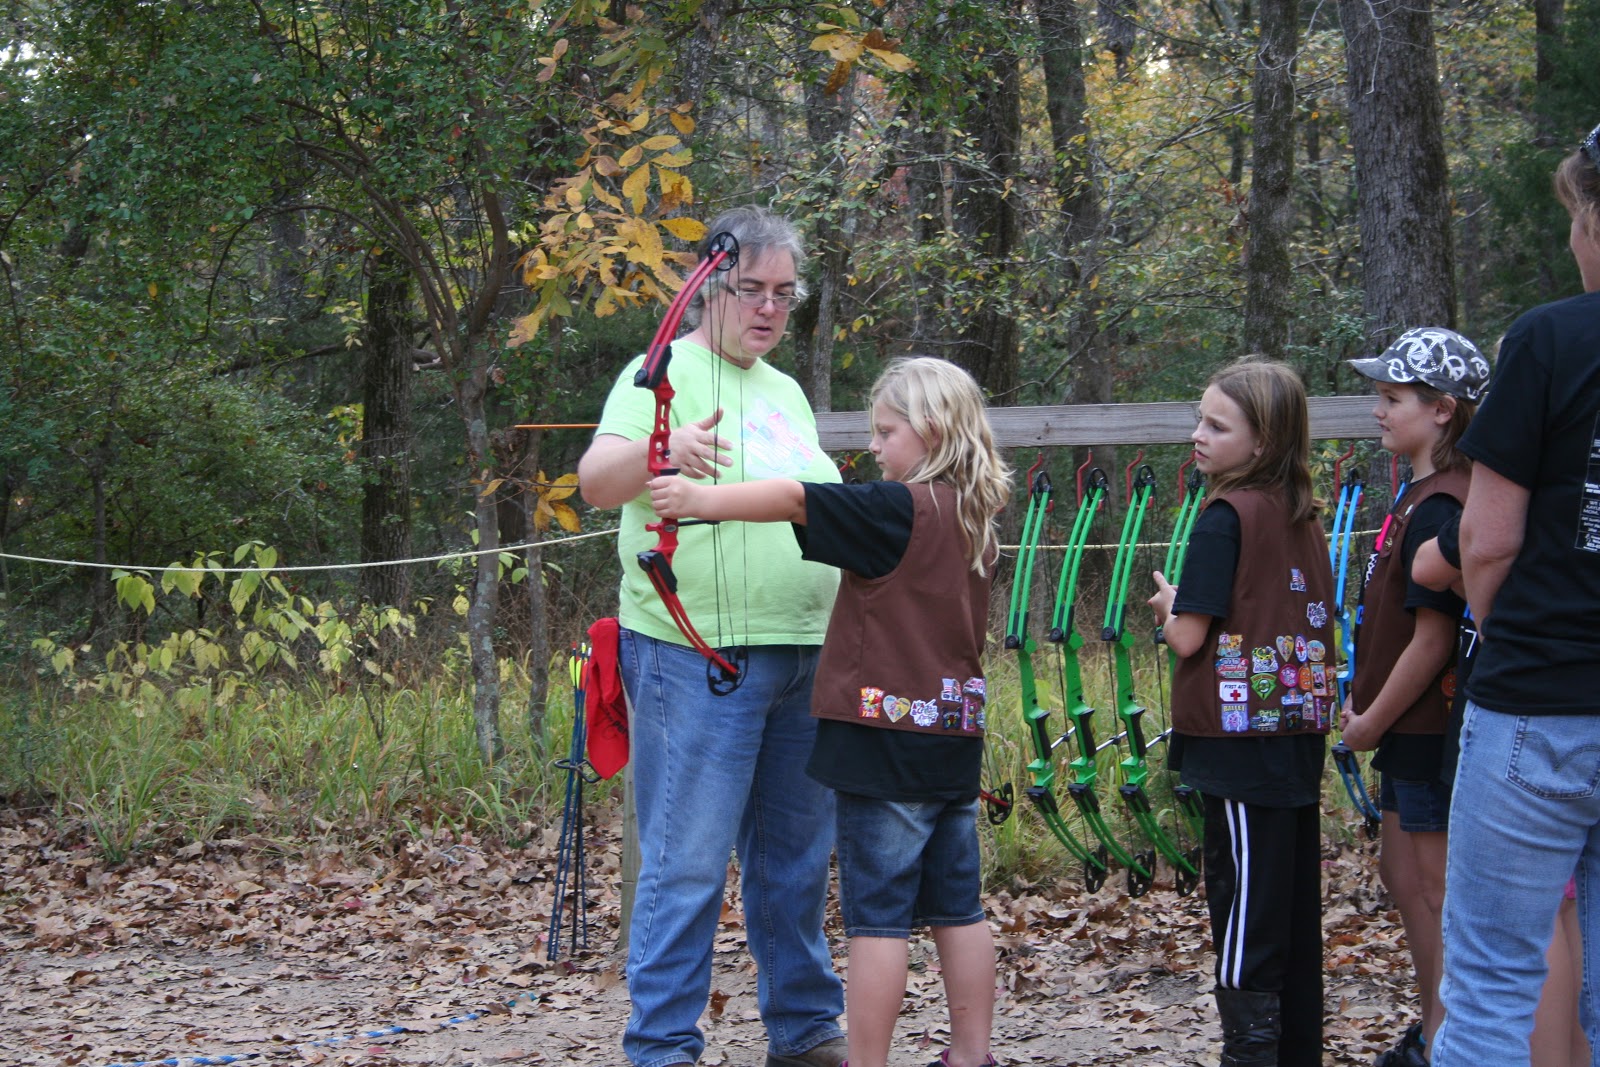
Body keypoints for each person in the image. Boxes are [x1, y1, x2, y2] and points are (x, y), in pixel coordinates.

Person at [649, 356, 1011, 1067]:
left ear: (932, 430)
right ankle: (972, 1056)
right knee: (958, 909)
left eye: (886, 431)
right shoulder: (974, 514)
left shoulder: (894, 507)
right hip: (952, 743)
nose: (874, 446)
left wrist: (695, 498)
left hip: (883, 749)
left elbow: (794, 497)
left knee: (878, 921)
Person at [578, 206, 848, 1067]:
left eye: (784, 293)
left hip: (802, 653)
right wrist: (661, 451)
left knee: (796, 861)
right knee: (687, 861)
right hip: (695, 654)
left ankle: (805, 1033)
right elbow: (595, 480)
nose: (767, 308)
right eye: (750, 289)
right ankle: (662, 1046)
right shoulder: (660, 371)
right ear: (708, 287)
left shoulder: (786, 391)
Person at [1429, 125, 1600, 1066]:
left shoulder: (1549, 338)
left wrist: (1511, 640)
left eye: (1575, 217)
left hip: (1540, 703)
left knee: (1493, 987)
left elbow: (1486, 540)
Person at [1147, 359, 1334, 1067]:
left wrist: (1169, 606)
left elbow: (1189, 637)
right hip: (1297, 736)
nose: (1198, 435)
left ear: (1263, 442)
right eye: (1199, 419)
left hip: (1240, 745)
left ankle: (1248, 1054)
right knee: (1291, 914)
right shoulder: (1303, 515)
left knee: (1244, 916)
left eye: (1217, 426)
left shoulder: (1225, 517)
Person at [1338, 324, 1487, 1066]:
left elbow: (1432, 643)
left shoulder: (1443, 506)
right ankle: (1434, 1024)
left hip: (1427, 730)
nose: (1379, 410)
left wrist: (1369, 721)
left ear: (1443, 409)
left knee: (1432, 887)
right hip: (1404, 729)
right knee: (1402, 874)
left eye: (1393, 398)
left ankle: (1446, 1036)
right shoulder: (1417, 494)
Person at [1414, 517, 1589, 1067]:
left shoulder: (1519, 488)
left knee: (1513, 950)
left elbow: (1449, 557)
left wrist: (1497, 627)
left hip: (1538, 706)